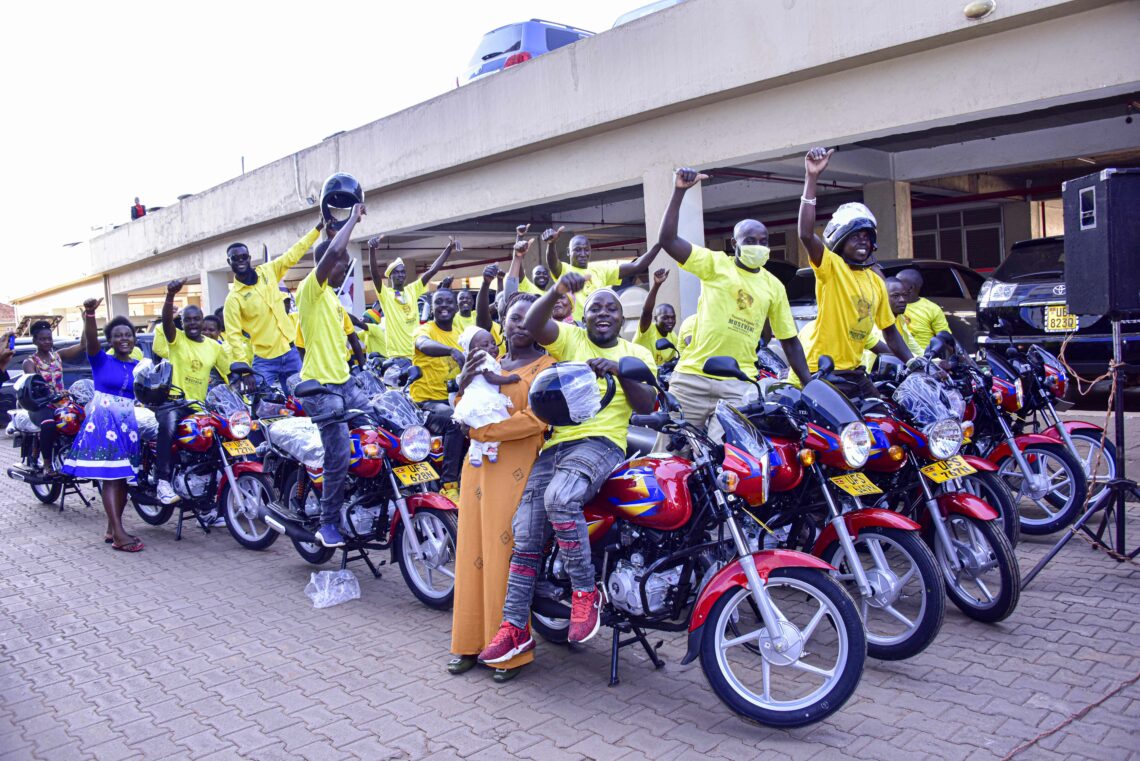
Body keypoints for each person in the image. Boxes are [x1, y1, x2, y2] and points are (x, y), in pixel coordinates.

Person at [478, 274, 656, 665]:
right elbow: (535, 322)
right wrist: (558, 289)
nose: (603, 313)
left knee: (560, 498)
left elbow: (646, 405)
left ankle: (585, 592)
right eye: (595, 308)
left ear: (622, 318)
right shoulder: (571, 339)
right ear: (584, 316)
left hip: (602, 444)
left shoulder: (636, 353)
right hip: (555, 447)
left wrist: (619, 369)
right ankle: (514, 629)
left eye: (611, 308)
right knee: (525, 533)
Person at [655, 168, 810, 439]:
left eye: (763, 242)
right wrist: (679, 192)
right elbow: (668, 240)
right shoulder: (714, 264)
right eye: (750, 241)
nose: (758, 246)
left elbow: (790, 341)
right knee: (672, 449)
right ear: (734, 243)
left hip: (738, 384)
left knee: (728, 454)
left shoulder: (774, 286)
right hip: (692, 378)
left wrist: (809, 385)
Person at [449, 292, 555, 681]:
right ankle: (468, 643)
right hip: (477, 469)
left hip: (517, 469)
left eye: (529, 318)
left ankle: (508, 652)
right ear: (502, 321)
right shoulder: (488, 360)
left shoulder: (547, 367)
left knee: (504, 558)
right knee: (470, 553)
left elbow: (537, 419)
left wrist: (483, 430)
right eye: (514, 317)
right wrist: (462, 386)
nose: (521, 324)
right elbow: (462, 407)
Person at [798, 147, 912, 397]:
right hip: (822, 371)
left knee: (884, 416)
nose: (863, 241)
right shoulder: (832, 267)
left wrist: (914, 362)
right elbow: (806, 234)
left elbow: (890, 332)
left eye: (866, 236)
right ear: (840, 241)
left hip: (855, 372)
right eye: (855, 236)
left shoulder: (875, 281)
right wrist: (811, 177)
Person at [296, 203, 370, 549]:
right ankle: (327, 522)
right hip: (321, 389)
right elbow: (333, 252)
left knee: (383, 427)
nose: (346, 268)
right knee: (338, 450)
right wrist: (353, 218)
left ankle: (370, 494)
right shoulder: (310, 291)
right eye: (343, 264)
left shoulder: (334, 300)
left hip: (345, 383)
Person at [62, 299, 143, 552]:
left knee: (123, 479)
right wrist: (90, 315)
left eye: (128, 335)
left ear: (134, 339)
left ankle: (112, 529)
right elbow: (90, 341)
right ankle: (119, 534)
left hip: (127, 425)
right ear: (110, 341)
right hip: (105, 423)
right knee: (112, 477)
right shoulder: (101, 360)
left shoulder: (137, 367)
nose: (123, 339)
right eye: (117, 335)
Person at [150, 281, 232, 505]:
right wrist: (170, 295)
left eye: (197, 319)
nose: (193, 323)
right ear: (182, 322)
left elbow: (229, 372)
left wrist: (244, 379)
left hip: (199, 406)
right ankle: (163, 482)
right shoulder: (176, 340)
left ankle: (208, 501)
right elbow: (167, 322)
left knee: (219, 440)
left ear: (202, 320)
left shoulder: (214, 346)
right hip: (173, 403)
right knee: (167, 427)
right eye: (188, 320)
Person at [223, 219, 323, 390]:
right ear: (229, 262)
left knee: (303, 399)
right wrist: (245, 370)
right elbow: (233, 337)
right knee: (261, 401)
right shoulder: (233, 299)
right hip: (264, 360)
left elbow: (293, 254)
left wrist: (318, 229)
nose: (240, 260)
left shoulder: (267, 271)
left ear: (249, 258)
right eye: (235, 258)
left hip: (291, 353)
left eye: (243, 257)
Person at [411, 288, 465, 500]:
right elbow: (423, 345)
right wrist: (451, 351)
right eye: (439, 302)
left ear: (456, 307)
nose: (444, 306)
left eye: (448, 302)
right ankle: (449, 485)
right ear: (432, 308)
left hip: (456, 399)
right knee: (454, 421)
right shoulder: (424, 330)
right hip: (426, 403)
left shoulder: (460, 333)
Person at [368, 235, 459, 359]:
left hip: (416, 353)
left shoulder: (412, 289)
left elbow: (432, 271)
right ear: (390, 276)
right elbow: (375, 274)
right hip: (397, 356)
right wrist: (371, 250)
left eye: (403, 272)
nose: (401, 275)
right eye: (397, 272)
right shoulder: (386, 294)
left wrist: (448, 248)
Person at [543, 227, 658, 321]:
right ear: (569, 252)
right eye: (577, 250)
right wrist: (551, 244)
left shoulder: (600, 270)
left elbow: (636, 266)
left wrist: (659, 245)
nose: (583, 254)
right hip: (575, 329)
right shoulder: (564, 270)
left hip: (596, 330)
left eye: (586, 249)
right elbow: (553, 263)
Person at [22, 319, 88, 476]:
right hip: (41, 405)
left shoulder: (57, 356)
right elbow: (34, 384)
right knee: (49, 425)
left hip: (61, 402)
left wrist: (86, 320)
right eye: (42, 339)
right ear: (35, 341)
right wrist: (50, 394)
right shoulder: (29, 362)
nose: (47, 342)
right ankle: (47, 464)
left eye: (49, 338)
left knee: (83, 418)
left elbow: (83, 345)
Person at [451, 327, 519, 467]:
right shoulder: (482, 357)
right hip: (483, 397)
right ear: (474, 350)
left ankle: (477, 453)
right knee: (495, 422)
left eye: (493, 343)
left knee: (481, 426)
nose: (492, 347)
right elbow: (490, 377)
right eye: (485, 344)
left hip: (478, 398)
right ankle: (490, 449)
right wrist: (509, 379)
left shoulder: (483, 359)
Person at [634, 268, 680, 367]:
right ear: (655, 319)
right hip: (638, 371)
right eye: (665, 318)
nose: (670, 321)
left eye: (673, 318)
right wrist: (656, 285)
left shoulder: (673, 337)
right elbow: (646, 312)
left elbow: (670, 362)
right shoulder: (647, 330)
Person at [896, 268, 950, 353]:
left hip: (925, 357)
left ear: (911, 288)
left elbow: (945, 337)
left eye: (899, 283)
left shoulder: (932, 309)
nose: (895, 285)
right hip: (896, 356)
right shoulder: (893, 306)